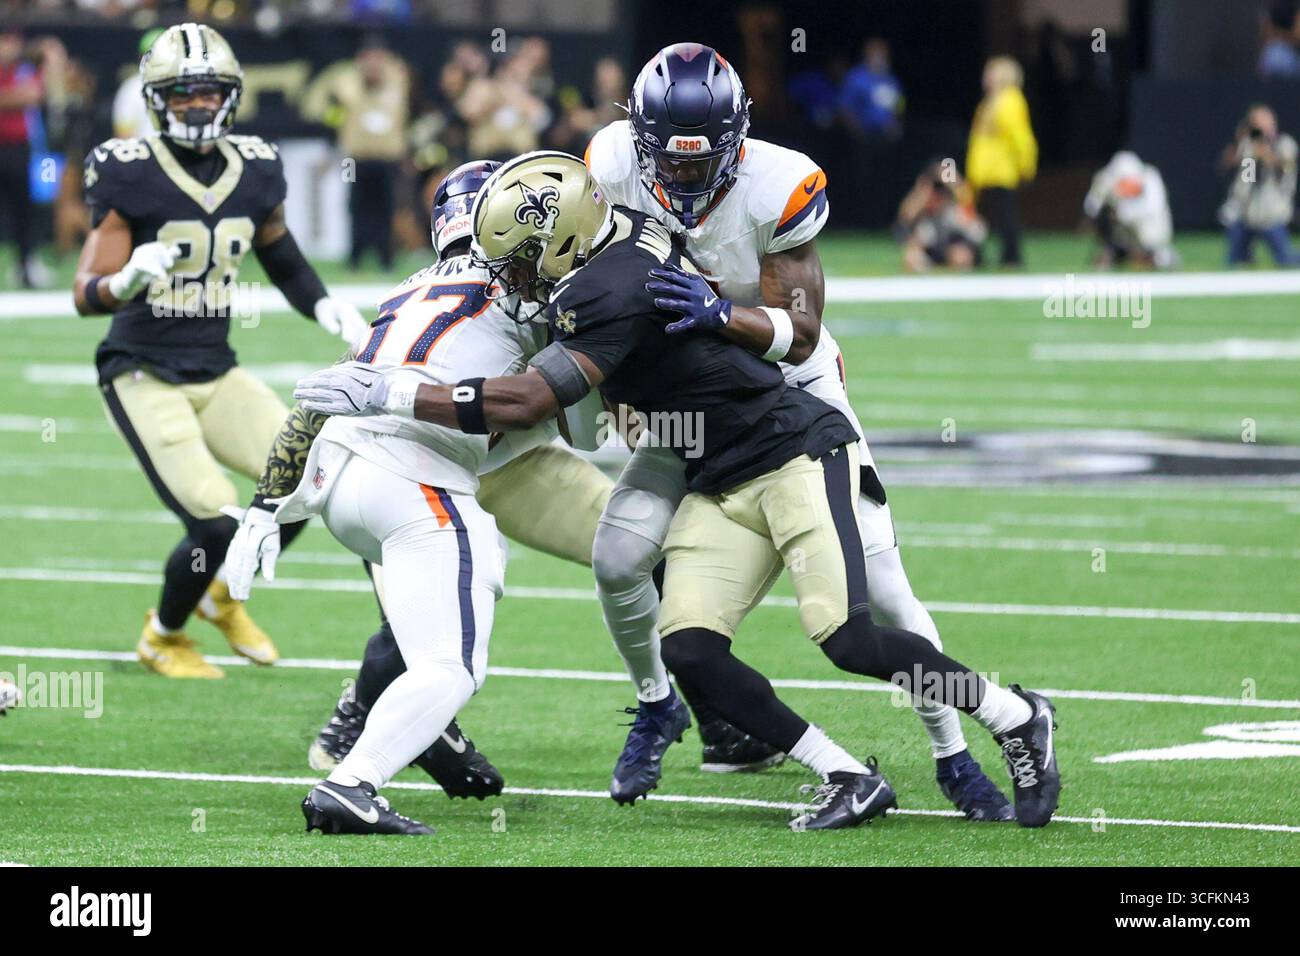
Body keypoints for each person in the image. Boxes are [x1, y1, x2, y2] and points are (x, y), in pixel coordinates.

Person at [295, 151, 1063, 831]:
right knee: (690, 648)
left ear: (563, 242)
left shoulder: (601, 291)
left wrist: (392, 395)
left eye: (521, 261)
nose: (509, 280)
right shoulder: (619, 228)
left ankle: (1014, 716)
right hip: (709, 469)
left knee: (849, 634)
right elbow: (583, 422)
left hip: (788, 449)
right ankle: (848, 773)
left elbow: (533, 406)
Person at [583, 43, 1013, 819]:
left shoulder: (778, 184)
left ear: (736, 140)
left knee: (882, 589)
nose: (681, 179)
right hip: (692, 400)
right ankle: (658, 705)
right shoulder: (608, 164)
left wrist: (719, 312)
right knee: (617, 553)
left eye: (699, 162)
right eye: (667, 163)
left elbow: (804, 332)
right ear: (639, 141)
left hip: (791, 399)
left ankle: (953, 751)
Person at [224, 160, 614, 802]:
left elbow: (320, 399)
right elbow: (581, 424)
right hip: (417, 470)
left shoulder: (407, 288)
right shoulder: (530, 286)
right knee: (451, 654)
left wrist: (265, 507)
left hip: (346, 475)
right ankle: (356, 773)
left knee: (421, 618)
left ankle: (415, 740)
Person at [72, 23, 368, 679]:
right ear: (156, 100)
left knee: (302, 483)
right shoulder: (129, 170)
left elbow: (281, 254)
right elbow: (85, 293)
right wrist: (123, 282)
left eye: (209, 92)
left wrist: (326, 307)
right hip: (143, 371)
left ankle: (221, 596)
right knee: (215, 523)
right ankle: (163, 634)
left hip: (217, 367)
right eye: (182, 94)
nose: (199, 105)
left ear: (230, 96)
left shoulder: (256, 166)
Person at [300, 34, 409, 271]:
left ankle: (386, 257)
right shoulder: (346, 84)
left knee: (386, 208)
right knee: (356, 206)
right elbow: (332, 114)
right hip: (356, 158)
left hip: (388, 158)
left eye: (378, 60)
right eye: (368, 61)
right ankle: (355, 257)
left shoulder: (397, 81)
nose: (373, 66)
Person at [966, 56, 1036, 267]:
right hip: (985, 172)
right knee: (982, 218)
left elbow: (1020, 137)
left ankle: (1012, 256)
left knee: (1006, 215)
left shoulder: (1011, 100)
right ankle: (979, 257)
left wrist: (1026, 164)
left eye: (991, 72)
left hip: (1001, 170)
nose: (986, 77)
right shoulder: (989, 102)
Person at [1219, 104, 1299, 266]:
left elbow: (1284, 168)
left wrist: (1262, 151)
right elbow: (1240, 174)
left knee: (1286, 259)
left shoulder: (1285, 144)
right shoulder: (1248, 146)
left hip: (1271, 213)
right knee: (1233, 262)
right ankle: (1247, 258)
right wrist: (1239, 142)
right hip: (1247, 213)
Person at [1083, 150, 1177, 270]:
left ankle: (1148, 255)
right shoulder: (1106, 180)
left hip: (1149, 230)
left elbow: (1153, 210)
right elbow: (1091, 208)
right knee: (1105, 217)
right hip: (1121, 231)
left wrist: (1124, 213)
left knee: (1159, 255)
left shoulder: (1151, 178)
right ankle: (1115, 251)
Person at [895, 161, 986, 272]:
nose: (937, 196)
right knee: (911, 257)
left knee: (960, 256)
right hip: (934, 250)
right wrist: (922, 189)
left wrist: (952, 180)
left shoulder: (955, 208)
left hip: (956, 247)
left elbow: (974, 221)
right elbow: (906, 215)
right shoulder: (925, 208)